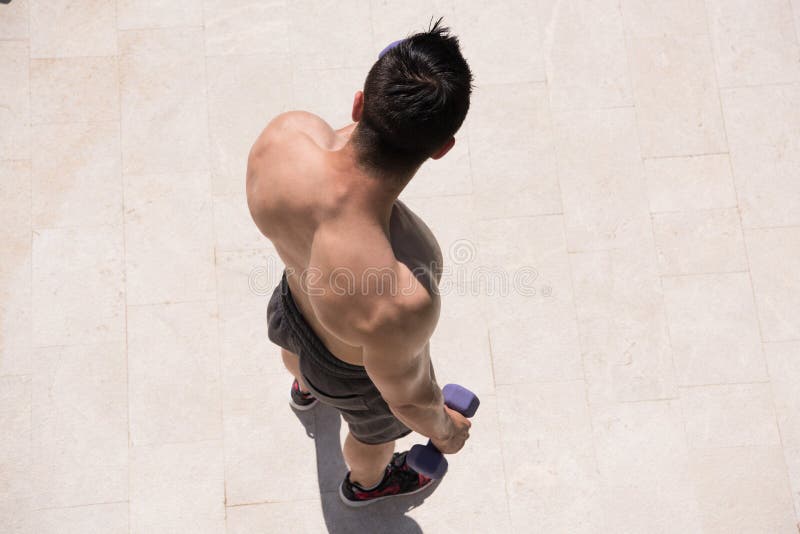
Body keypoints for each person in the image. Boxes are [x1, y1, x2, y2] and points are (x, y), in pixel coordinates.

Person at [246, 17, 474, 507]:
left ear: (358, 102)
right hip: (351, 370)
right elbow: (408, 398)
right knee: (373, 439)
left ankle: (304, 391)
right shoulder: (397, 292)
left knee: (301, 362)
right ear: (441, 150)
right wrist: (446, 430)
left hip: (290, 307)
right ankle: (367, 485)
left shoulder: (283, 139)